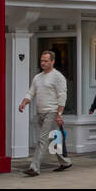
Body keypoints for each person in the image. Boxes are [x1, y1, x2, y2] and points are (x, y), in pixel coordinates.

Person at [19, 49, 71, 177]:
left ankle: (34, 168)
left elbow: (62, 95)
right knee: (53, 139)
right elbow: (31, 92)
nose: (43, 63)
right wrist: (24, 102)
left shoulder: (58, 76)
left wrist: (59, 114)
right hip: (40, 112)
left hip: (52, 112)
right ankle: (65, 162)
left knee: (42, 140)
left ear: (52, 61)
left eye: (46, 61)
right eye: (42, 60)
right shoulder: (38, 77)